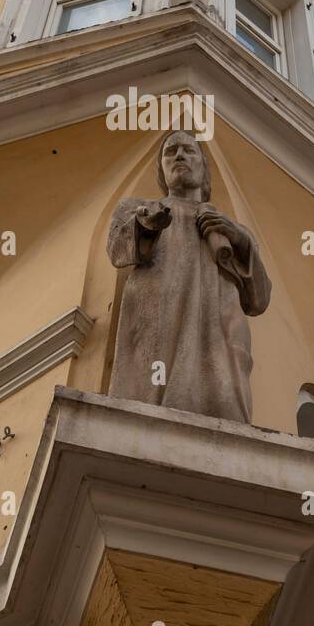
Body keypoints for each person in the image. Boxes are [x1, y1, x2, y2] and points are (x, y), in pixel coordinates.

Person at [106, 130, 271, 423]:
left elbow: (259, 299)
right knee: (150, 403)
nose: (179, 155)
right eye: (170, 152)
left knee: (224, 398)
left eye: (188, 150)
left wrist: (239, 239)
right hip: (159, 320)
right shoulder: (138, 208)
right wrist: (145, 226)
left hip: (218, 329)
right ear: (162, 172)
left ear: (204, 170)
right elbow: (117, 252)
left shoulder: (227, 229)